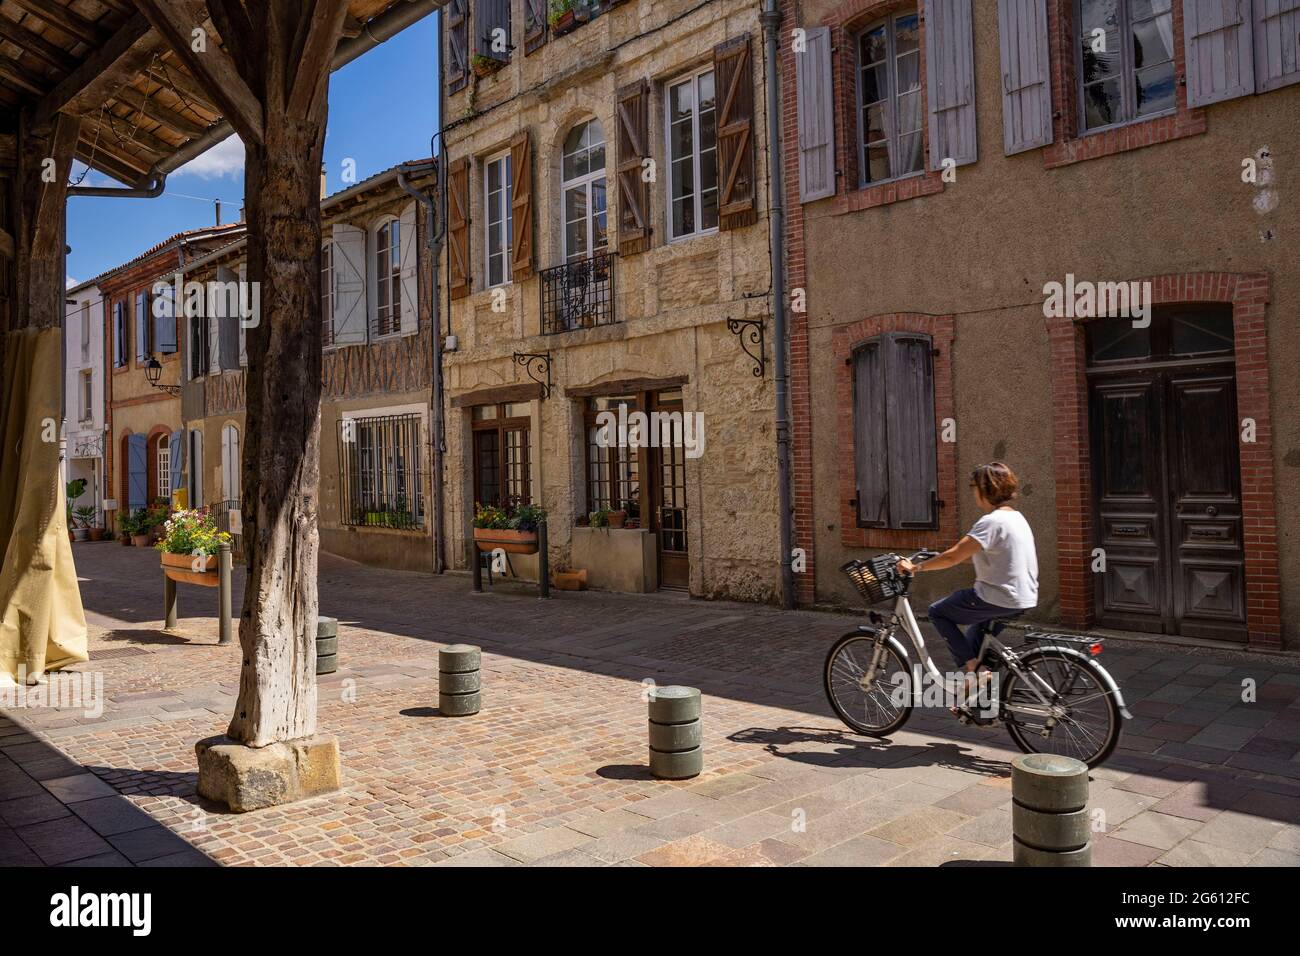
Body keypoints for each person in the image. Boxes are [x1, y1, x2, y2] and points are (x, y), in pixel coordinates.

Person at [897, 462, 1039, 699]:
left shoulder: (991, 522)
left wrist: (915, 567)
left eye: (974, 487)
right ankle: (975, 700)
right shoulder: (1016, 518)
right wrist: (938, 558)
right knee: (975, 641)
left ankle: (976, 670)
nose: (972, 492)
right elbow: (975, 555)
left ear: (985, 489)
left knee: (939, 612)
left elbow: (953, 557)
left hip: (996, 597)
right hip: (1023, 597)